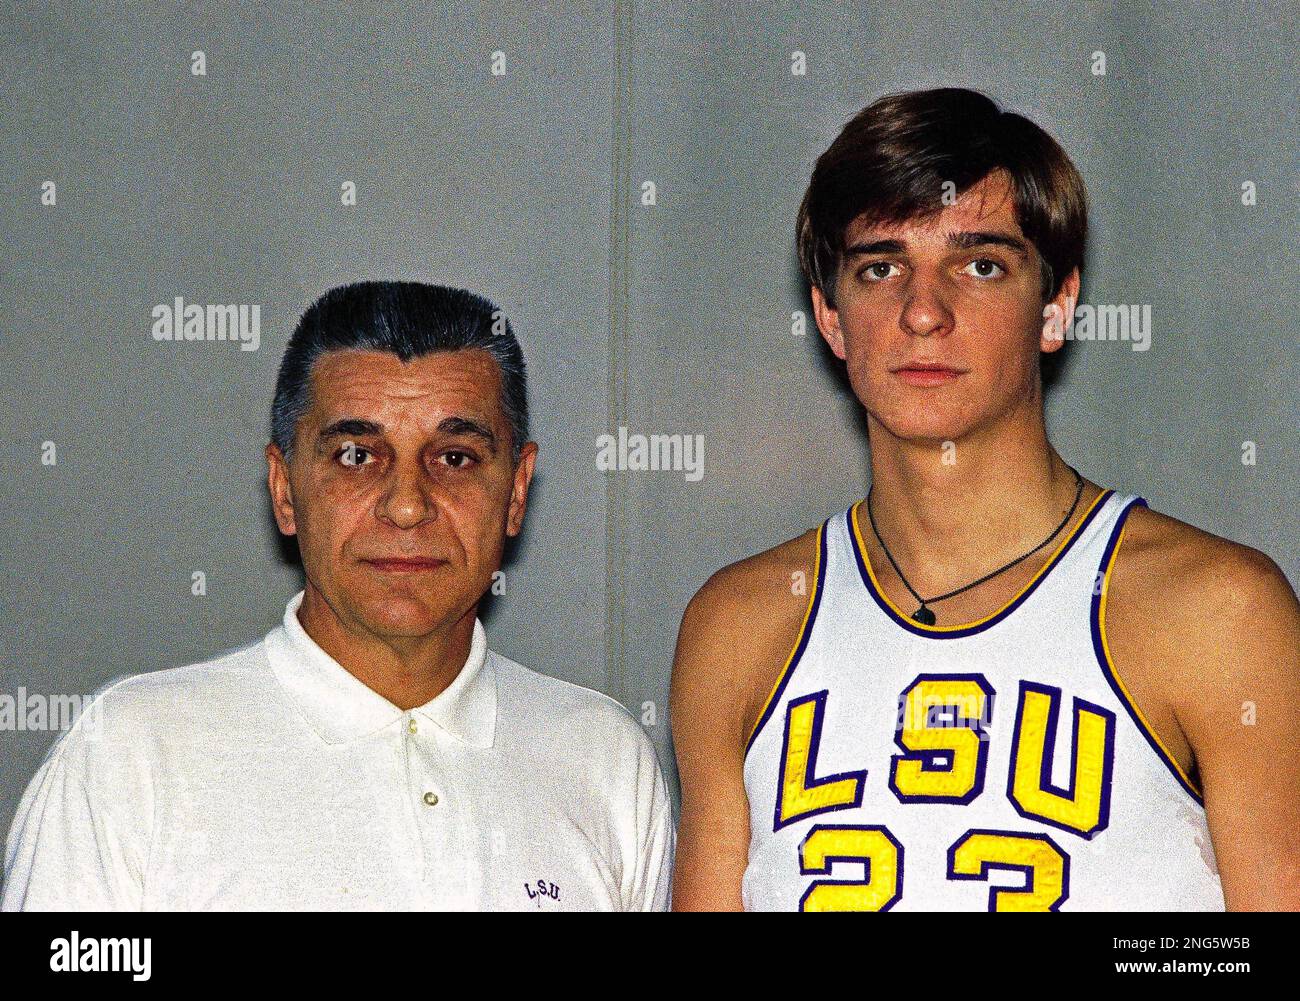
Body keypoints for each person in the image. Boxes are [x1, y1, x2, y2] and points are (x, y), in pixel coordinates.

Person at [669, 88, 1300, 911]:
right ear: (830, 317)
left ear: (1055, 306)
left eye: (981, 265)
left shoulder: (1219, 612)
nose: (924, 312)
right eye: (881, 268)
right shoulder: (740, 624)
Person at [4, 281, 674, 911]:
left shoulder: (603, 759)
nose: (408, 506)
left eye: (456, 458)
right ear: (285, 487)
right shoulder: (130, 757)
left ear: (518, 489)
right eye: (357, 455)